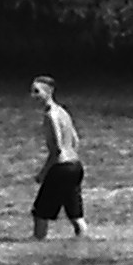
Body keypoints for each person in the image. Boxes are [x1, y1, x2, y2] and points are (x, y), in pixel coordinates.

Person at [28, 76, 87, 238]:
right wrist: (71, 159)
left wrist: (43, 173)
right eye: (32, 92)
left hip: (61, 168)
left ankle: (37, 249)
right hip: (75, 166)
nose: (33, 96)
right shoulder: (63, 112)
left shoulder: (50, 115)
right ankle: (82, 244)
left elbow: (57, 149)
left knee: (40, 214)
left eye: (36, 92)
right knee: (75, 215)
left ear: (48, 92)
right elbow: (75, 140)